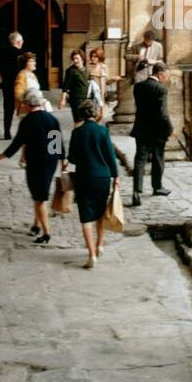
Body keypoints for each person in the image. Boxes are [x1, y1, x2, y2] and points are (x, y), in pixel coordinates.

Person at [0, 89, 62, 245]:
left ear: (29, 104)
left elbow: (18, 142)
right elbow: (56, 143)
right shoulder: (52, 119)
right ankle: (36, 225)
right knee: (40, 196)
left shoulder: (27, 121)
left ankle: (46, 232)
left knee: (39, 198)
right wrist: (60, 160)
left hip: (36, 162)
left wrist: (3, 155)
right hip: (50, 161)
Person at [66, 98, 120, 269]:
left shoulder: (77, 133)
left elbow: (72, 158)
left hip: (84, 177)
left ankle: (91, 254)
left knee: (86, 216)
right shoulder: (103, 131)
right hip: (103, 177)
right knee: (100, 212)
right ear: (96, 113)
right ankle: (100, 244)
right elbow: (111, 156)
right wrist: (116, 176)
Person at [130, 59, 172, 207]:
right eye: (166, 75)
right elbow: (163, 113)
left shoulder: (138, 87)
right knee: (158, 158)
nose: (166, 78)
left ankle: (136, 190)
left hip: (141, 128)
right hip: (157, 130)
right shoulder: (161, 89)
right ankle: (157, 187)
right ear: (160, 74)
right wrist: (170, 129)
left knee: (140, 160)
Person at [0, 30, 23, 140]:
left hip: (6, 83)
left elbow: (1, 68)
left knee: (8, 109)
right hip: (17, 84)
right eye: (21, 41)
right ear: (17, 42)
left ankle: (6, 132)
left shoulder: (3, 52)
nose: (22, 42)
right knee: (22, 108)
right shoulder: (19, 55)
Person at [61, 49, 90, 114]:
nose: (75, 61)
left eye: (77, 58)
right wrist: (63, 100)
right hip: (76, 99)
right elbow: (65, 86)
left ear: (82, 58)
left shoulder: (85, 70)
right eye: (73, 59)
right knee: (79, 120)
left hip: (86, 99)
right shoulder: (70, 71)